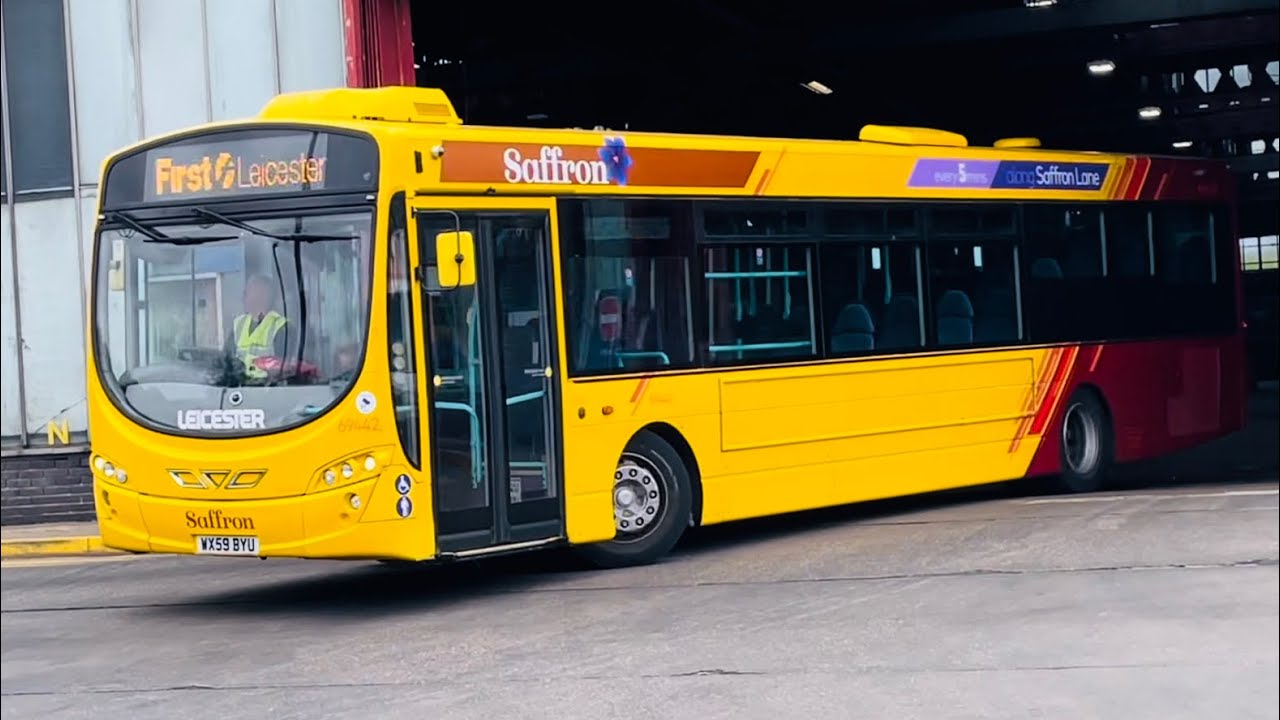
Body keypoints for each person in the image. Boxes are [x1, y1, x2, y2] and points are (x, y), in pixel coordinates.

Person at [225, 275, 289, 379]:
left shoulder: (282, 328)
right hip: (239, 388)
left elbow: (285, 370)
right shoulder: (239, 324)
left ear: (260, 296)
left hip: (268, 390)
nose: (242, 297)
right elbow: (226, 359)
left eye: (247, 293)